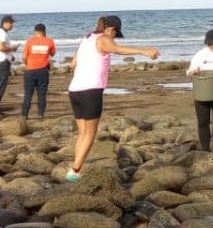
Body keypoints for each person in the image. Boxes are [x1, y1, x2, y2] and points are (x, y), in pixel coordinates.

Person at [66, 16, 159, 182]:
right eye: (116, 33)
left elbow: (72, 64)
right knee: (90, 134)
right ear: (112, 29)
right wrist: (143, 51)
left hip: (75, 90)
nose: (115, 37)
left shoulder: (87, 39)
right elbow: (117, 49)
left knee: (82, 133)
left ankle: (76, 168)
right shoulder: (104, 38)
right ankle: (75, 171)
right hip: (91, 90)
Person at [22, 24, 56, 119]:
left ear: (35, 31)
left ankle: (25, 114)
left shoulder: (29, 41)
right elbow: (53, 53)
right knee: (42, 93)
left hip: (30, 71)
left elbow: (24, 57)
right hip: (43, 70)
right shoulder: (49, 41)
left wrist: (27, 64)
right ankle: (41, 114)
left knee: (28, 93)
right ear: (44, 32)